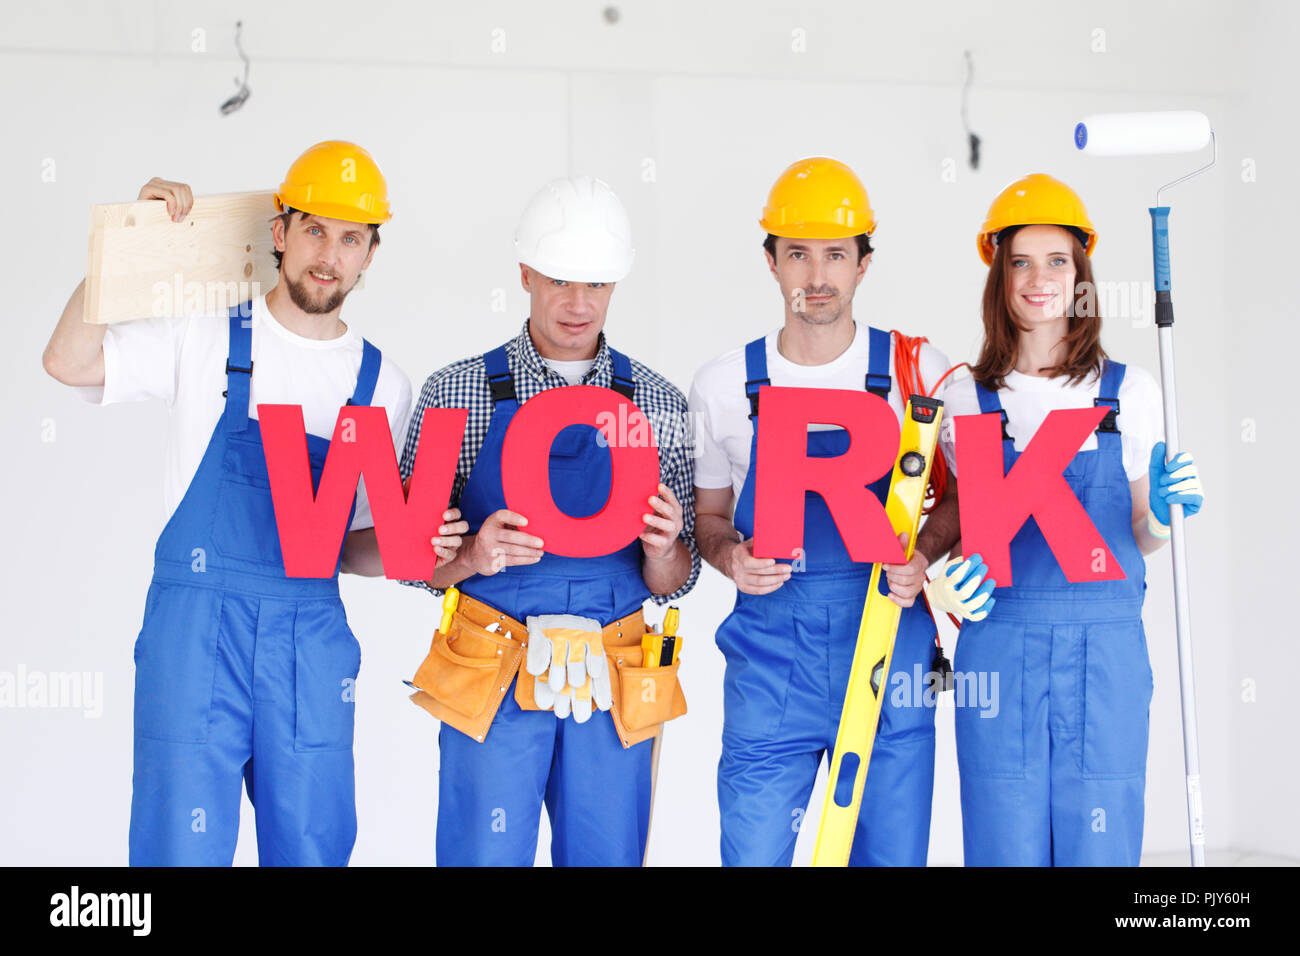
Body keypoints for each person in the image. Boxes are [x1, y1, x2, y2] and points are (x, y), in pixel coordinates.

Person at [41, 141, 466, 865]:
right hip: (195, 632)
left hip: (309, 641)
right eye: (314, 229)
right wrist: (124, 252)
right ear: (280, 232)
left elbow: (354, 545)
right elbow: (68, 360)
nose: (329, 254)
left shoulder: (382, 384)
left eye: (351, 237)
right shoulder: (202, 332)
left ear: (369, 255)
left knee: (312, 847)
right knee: (180, 849)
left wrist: (420, 550)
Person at [401, 175, 699, 866]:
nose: (577, 302)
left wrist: (660, 549)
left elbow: (678, 578)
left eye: (596, 284)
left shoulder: (654, 401)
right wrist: (473, 554)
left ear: (616, 286)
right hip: (491, 669)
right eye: (561, 279)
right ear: (526, 274)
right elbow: (414, 561)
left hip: (613, 675)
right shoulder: (458, 392)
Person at [689, 157, 979, 866]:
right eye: (797, 254)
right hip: (770, 670)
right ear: (771, 262)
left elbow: (974, 493)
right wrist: (733, 558)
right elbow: (709, 521)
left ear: (863, 264)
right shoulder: (725, 386)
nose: (816, 276)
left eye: (835, 255)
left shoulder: (920, 372)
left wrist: (924, 553)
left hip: (888, 656)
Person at [944, 172, 1205, 866]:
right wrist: (946, 582)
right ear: (999, 275)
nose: (1039, 279)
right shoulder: (965, 399)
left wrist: (1166, 520)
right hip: (998, 656)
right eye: (1020, 261)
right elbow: (958, 531)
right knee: (1005, 846)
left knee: (1102, 846)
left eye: (1057, 261)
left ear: (1080, 272)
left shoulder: (1129, 394)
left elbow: (1140, 537)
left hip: (1106, 660)